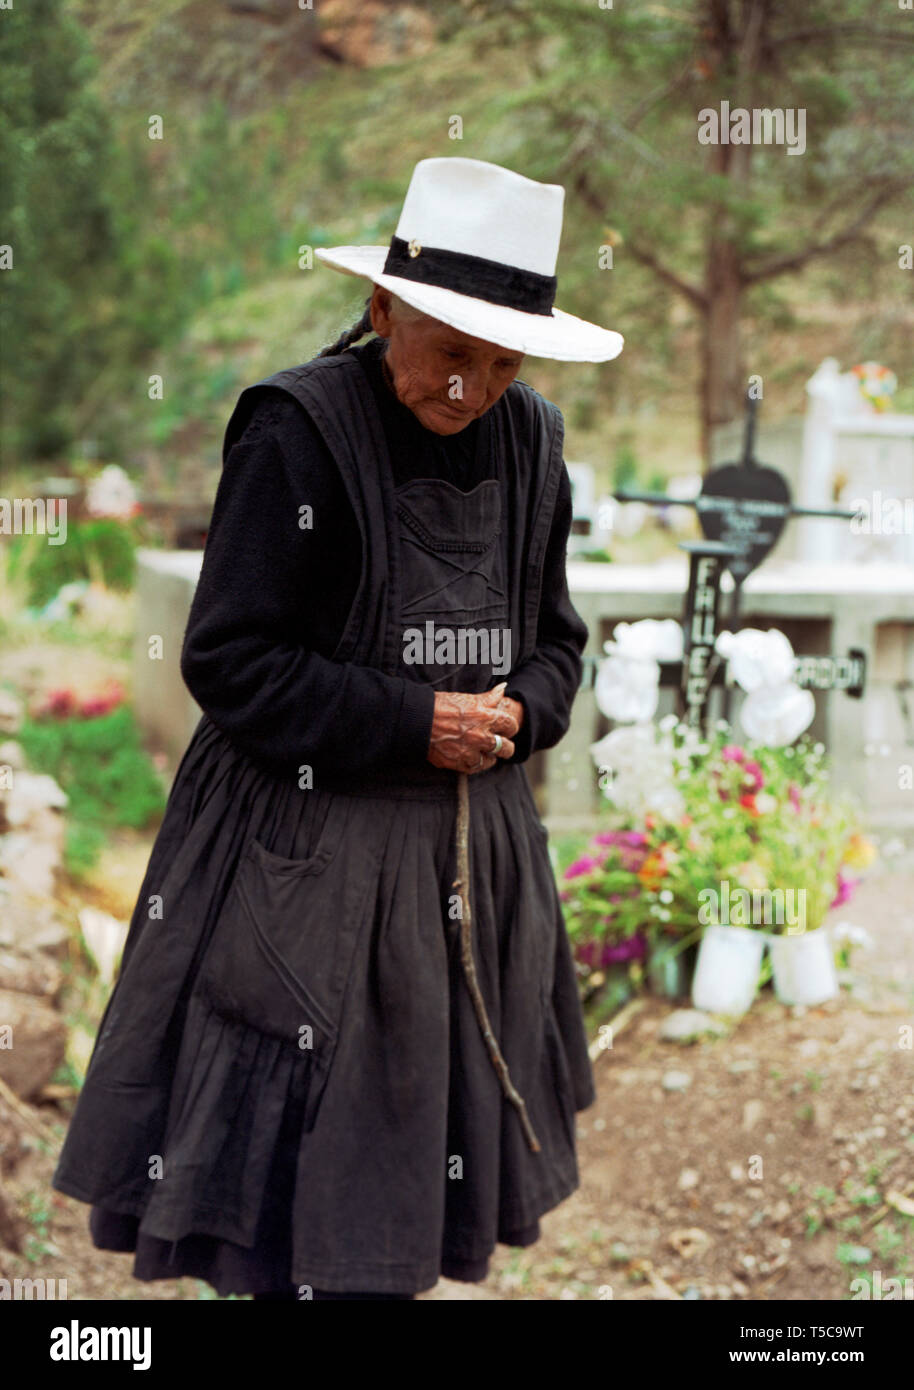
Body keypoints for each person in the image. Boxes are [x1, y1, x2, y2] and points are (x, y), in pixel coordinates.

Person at [51, 156, 624, 1301]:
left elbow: (559, 643)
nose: (472, 388)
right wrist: (413, 719)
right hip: (298, 862)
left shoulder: (536, 446)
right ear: (381, 309)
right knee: (283, 1194)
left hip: (467, 859)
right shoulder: (296, 431)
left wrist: (522, 711)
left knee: (413, 1178)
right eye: (450, 351)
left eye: (502, 360)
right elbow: (229, 657)